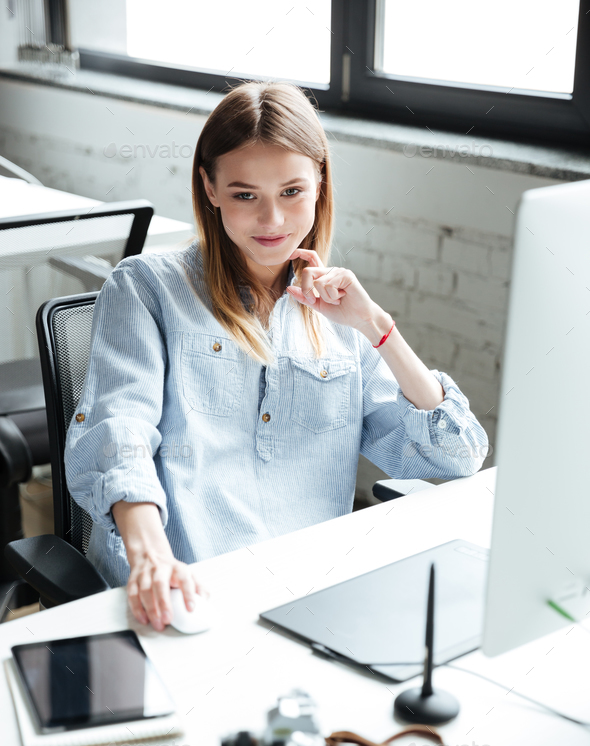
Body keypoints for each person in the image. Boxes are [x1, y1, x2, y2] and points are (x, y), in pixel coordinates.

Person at [64, 80, 489, 632]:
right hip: (180, 588)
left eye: (292, 192)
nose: (272, 221)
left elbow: (456, 457)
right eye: (245, 195)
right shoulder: (147, 287)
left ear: (319, 186)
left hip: (306, 594)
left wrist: (378, 328)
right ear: (209, 188)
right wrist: (149, 554)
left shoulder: (340, 320)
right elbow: (120, 429)